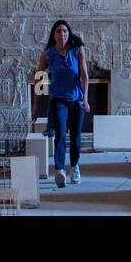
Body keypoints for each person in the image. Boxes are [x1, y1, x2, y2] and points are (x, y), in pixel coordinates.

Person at [35, 20, 90, 187]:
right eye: (58, 31)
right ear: (54, 34)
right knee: (60, 132)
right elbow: (40, 78)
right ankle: (59, 170)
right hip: (58, 99)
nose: (62, 34)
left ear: (69, 33)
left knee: (76, 137)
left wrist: (86, 99)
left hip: (76, 100)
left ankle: (74, 167)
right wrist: (36, 105)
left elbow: (85, 76)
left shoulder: (77, 50)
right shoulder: (48, 54)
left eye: (65, 31)